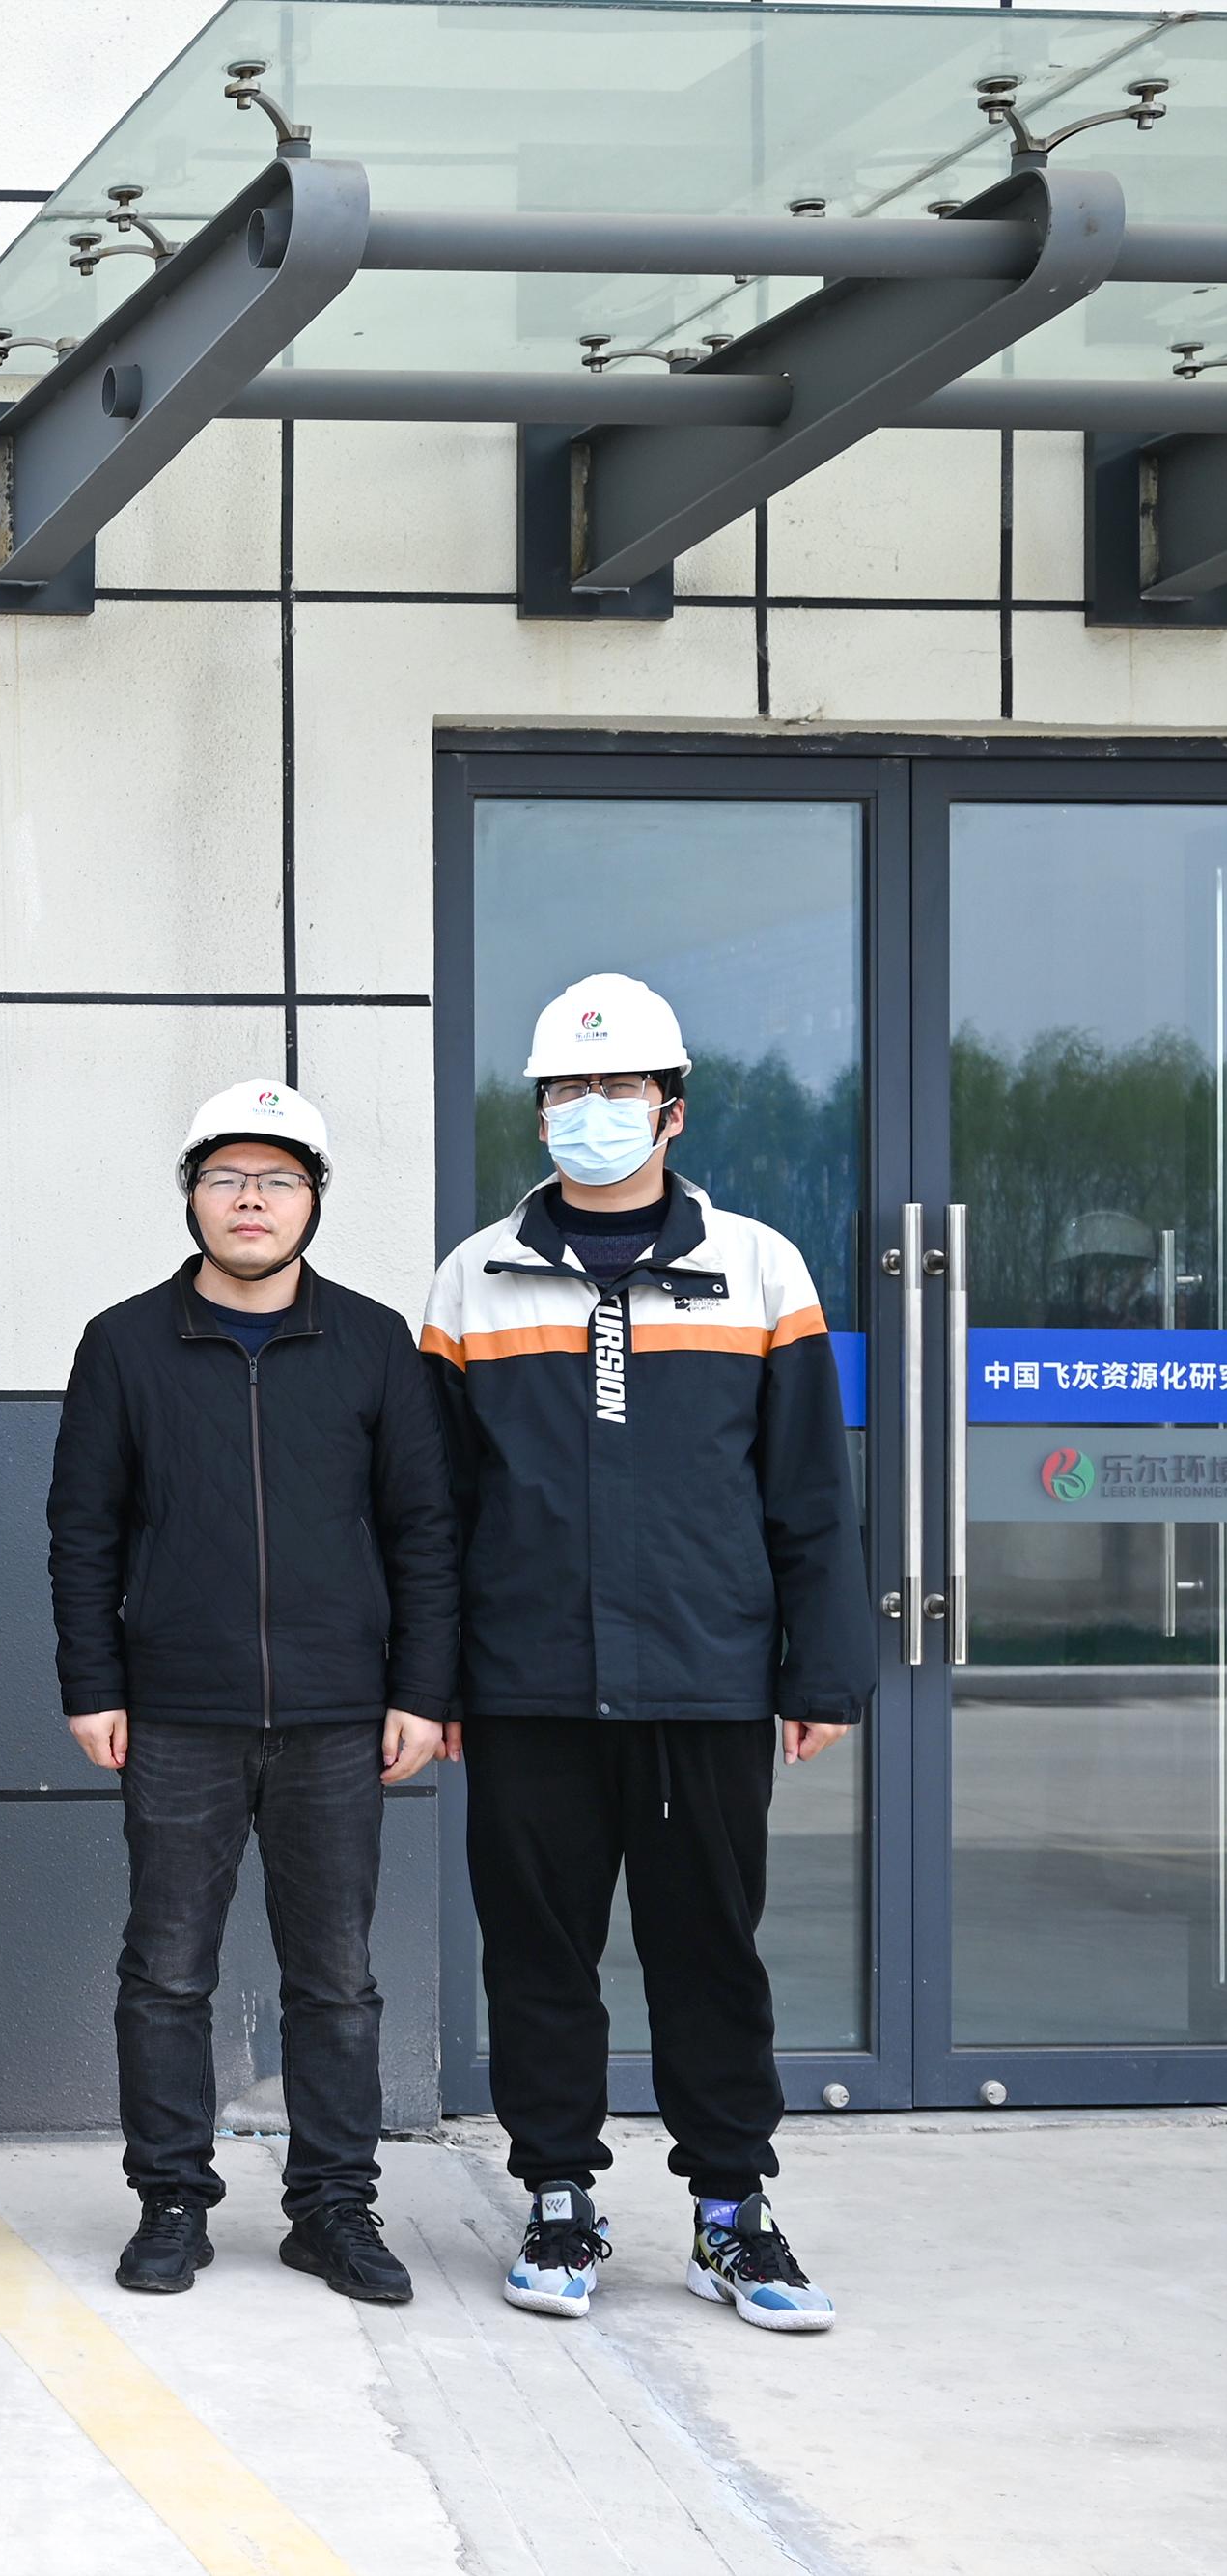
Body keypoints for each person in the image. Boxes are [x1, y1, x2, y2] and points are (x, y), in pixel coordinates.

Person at [423, 972, 870, 2336]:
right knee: (538, 1957)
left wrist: (822, 1669)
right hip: (527, 1687)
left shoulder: (759, 1268)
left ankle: (731, 2210)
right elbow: (434, 1509)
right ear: (537, 1111)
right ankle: (557, 2196)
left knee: (708, 1953)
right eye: (566, 1089)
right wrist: (432, 1681)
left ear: (671, 1110)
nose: (590, 1110)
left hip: (703, 1678)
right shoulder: (473, 1278)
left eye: (617, 1088)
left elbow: (809, 1491)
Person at [48, 1080, 458, 2307]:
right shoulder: (125, 1342)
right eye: (227, 1177)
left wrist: (421, 1688)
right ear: (191, 1195)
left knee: (335, 1978)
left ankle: (333, 2207)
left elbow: (425, 1529)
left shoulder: (375, 1342)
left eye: (277, 1180)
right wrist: (92, 1682)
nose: (251, 1201)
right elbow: (83, 1531)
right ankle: (172, 2199)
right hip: (178, 1709)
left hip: (341, 1714)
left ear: (314, 1200)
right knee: (167, 1969)